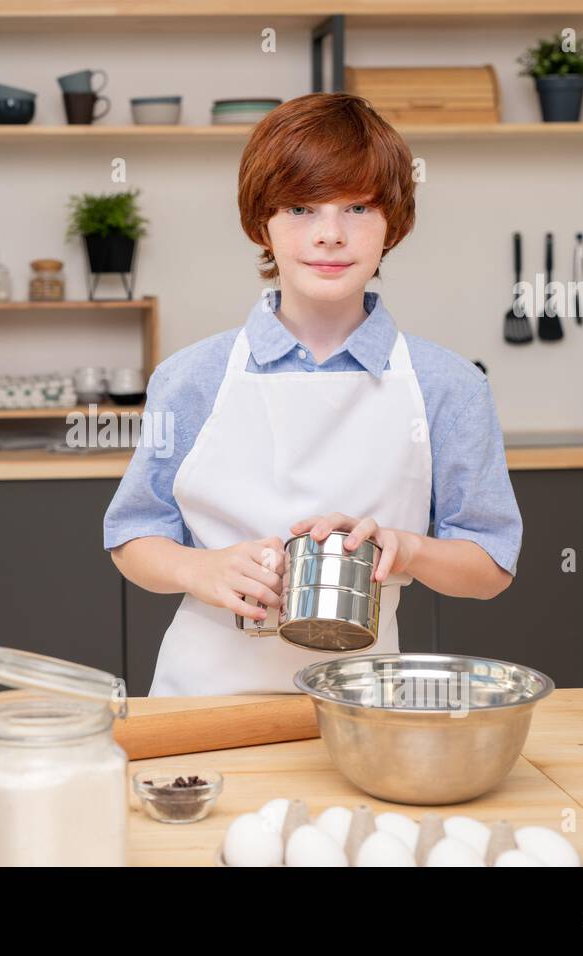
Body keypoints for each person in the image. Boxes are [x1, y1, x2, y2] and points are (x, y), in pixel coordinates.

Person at [103, 92, 522, 696]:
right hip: (200, 703)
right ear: (261, 223)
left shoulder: (448, 386)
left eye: (357, 207)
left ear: (392, 225)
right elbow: (133, 536)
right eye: (300, 208)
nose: (330, 235)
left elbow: (489, 569)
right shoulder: (191, 378)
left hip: (365, 703)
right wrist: (200, 568)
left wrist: (403, 548)